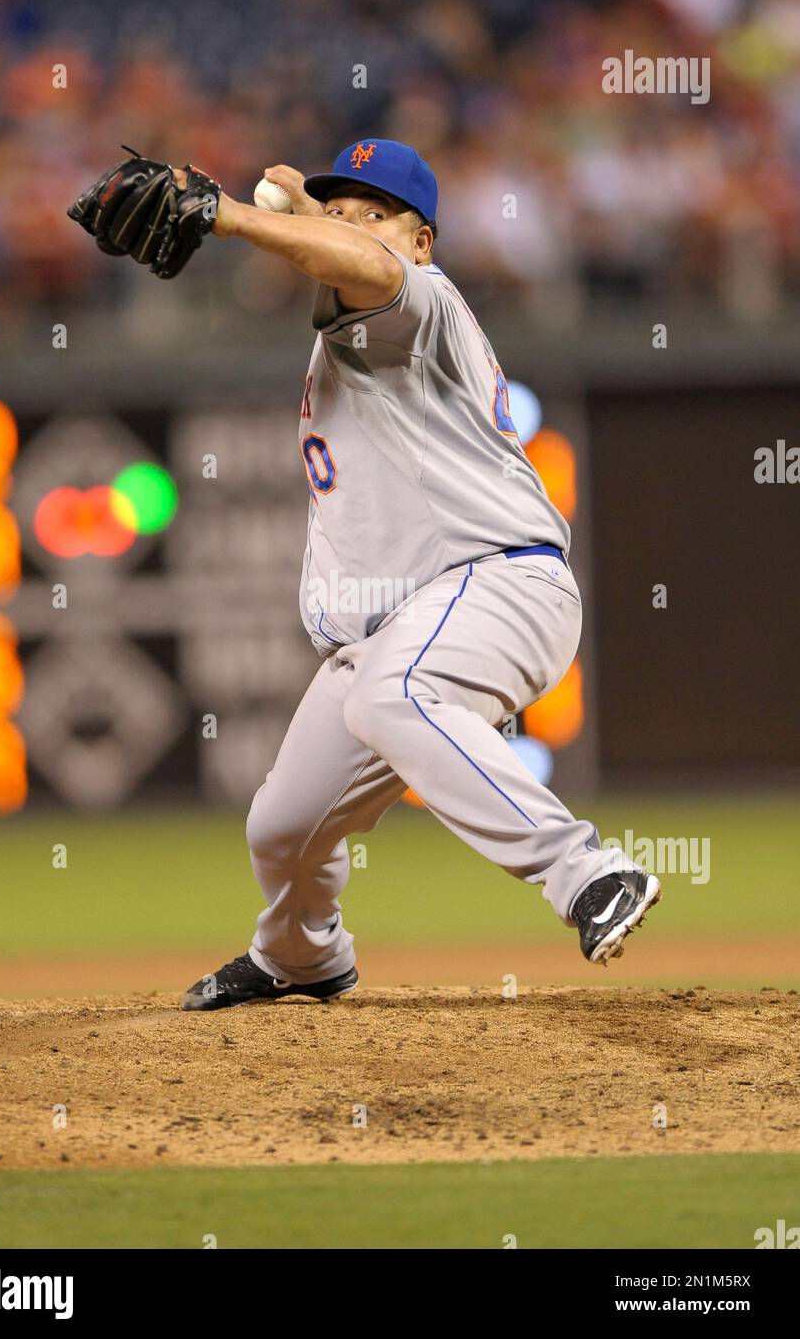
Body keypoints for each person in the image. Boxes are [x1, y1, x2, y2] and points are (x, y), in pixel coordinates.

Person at [181, 139, 661, 1011]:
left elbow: (358, 262)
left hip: (499, 585)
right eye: (343, 211)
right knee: (284, 827)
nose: (356, 232)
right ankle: (301, 955)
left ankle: (588, 872)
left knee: (391, 695)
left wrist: (231, 214)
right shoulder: (345, 338)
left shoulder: (422, 302)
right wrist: (292, 195)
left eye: (379, 216)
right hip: (395, 629)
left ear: (423, 241)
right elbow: (332, 247)